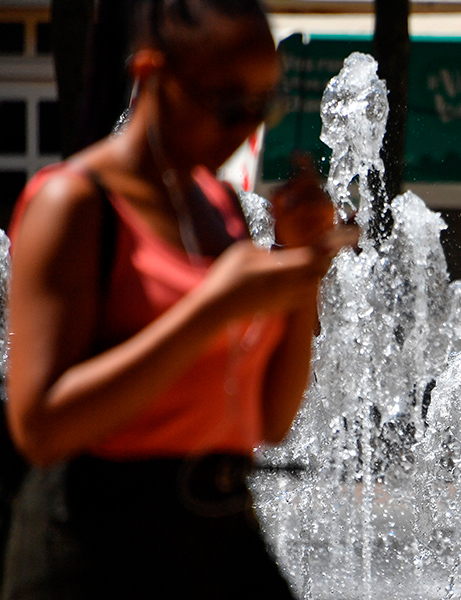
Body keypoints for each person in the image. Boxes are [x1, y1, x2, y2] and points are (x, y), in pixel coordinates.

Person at [1, 1, 348, 597]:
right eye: (228, 104)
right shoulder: (74, 205)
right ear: (150, 73)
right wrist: (211, 309)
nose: (244, 129)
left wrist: (305, 270)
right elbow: (40, 426)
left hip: (219, 528)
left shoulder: (221, 210)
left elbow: (270, 419)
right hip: (96, 542)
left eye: (262, 107)